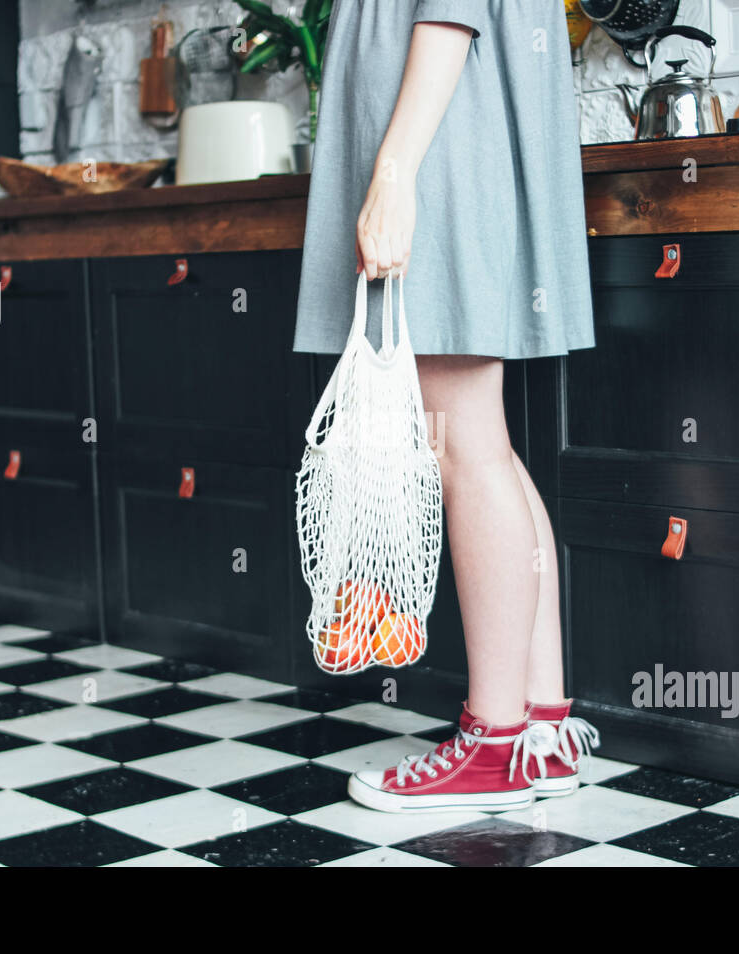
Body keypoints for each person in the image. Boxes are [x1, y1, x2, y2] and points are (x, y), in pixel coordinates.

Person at [293, 0, 599, 813]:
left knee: (463, 443)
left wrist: (393, 172)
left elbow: (449, 15)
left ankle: (495, 741)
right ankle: (542, 727)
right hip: (449, 142)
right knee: (481, 442)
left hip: (436, 152)